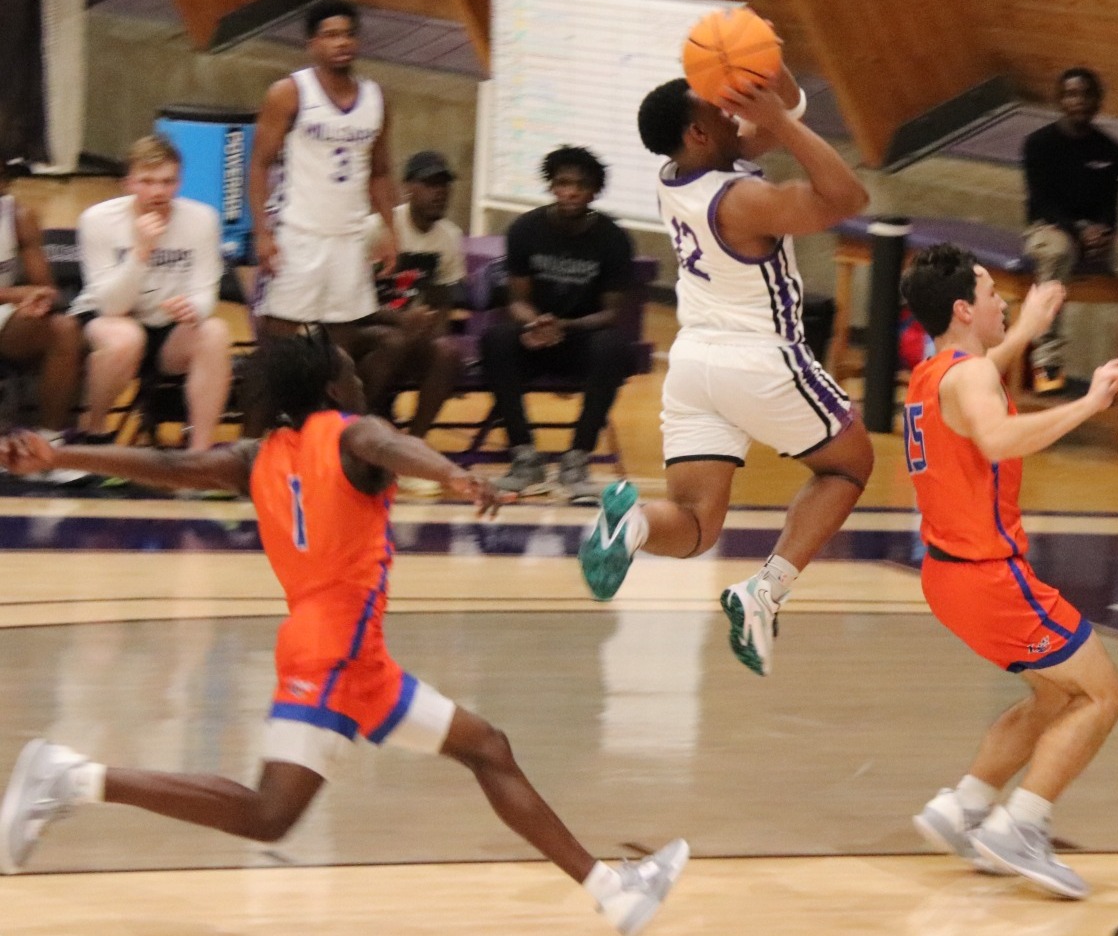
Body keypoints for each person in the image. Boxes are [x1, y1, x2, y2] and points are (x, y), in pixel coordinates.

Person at [0, 332, 688, 934]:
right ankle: (72, 777)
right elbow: (393, 443)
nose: (359, 376)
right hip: (334, 655)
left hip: (350, 658)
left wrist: (61, 456)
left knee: (487, 748)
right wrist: (451, 472)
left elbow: (175, 468)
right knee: (270, 816)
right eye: (350, 369)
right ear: (334, 387)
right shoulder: (351, 431)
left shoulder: (257, 454)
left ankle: (613, 893)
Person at [578, 65, 869, 678]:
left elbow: (780, 111)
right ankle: (764, 590)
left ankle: (629, 526)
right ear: (698, 133)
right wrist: (782, 121)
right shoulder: (743, 200)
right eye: (713, 107)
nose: (725, 109)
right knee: (848, 465)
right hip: (758, 359)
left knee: (695, 524)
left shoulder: (674, 173)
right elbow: (848, 199)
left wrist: (771, 76)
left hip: (691, 364)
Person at [897, 244, 1118, 900]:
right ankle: (1021, 826)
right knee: (1102, 696)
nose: (1005, 301)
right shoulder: (970, 379)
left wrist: (1026, 332)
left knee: (1053, 695)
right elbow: (998, 437)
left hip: (946, 577)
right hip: (991, 577)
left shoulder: (933, 370)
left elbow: (982, 379)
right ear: (966, 309)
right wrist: (1090, 402)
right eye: (995, 295)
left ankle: (964, 807)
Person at [248, 0, 407, 423]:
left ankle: (325, 441)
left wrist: (389, 229)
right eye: (332, 35)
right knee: (278, 345)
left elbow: (380, 169)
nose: (342, 43)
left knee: (338, 351)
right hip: (297, 234)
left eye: (349, 34)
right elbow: (260, 164)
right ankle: (253, 445)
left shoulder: (376, 97)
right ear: (312, 43)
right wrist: (262, 233)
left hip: (349, 240)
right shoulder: (289, 92)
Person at [482, 146, 635, 503]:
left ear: (593, 192)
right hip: (536, 335)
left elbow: (611, 313)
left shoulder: (612, 238)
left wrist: (565, 325)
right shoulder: (525, 229)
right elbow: (517, 300)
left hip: (582, 338)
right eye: (563, 183)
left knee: (613, 347)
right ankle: (524, 458)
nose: (570, 192)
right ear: (552, 186)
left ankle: (577, 460)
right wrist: (536, 323)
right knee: (497, 340)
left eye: (580, 185)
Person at [69, 135, 232, 453]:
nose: (158, 191)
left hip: (168, 328)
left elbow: (204, 289)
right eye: (147, 181)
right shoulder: (98, 220)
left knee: (215, 332)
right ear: (128, 182)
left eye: (167, 181)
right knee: (125, 339)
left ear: (180, 181)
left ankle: (199, 455)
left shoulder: (202, 219)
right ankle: (95, 432)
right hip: (110, 318)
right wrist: (141, 252)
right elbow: (110, 305)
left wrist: (193, 309)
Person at [1021, 66, 1118, 402]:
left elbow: (1111, 204)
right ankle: (1047, 361)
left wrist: (1102, 229)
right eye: (1071, 94)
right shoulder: (1039, 144)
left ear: (1098, 101)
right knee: (1057, 252)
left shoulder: (1109, 148)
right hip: (1052, 227)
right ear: (1061, 100)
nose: (1079, 101)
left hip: (1099, 231)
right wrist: (1078, 230)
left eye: (1086, 94)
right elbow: (1041, 202)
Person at [362, 150, 467, 496]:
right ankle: (370, 442)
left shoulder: (449, 237)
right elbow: (351, 304)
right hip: (367, 331)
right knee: (392, 342)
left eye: (444, 186)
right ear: (408, 188)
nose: (440, 192)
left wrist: (427, 334)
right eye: (430, 184)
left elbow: (442, 305)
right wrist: (398, 321)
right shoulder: (377, 229)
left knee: (448, 351)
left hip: (410, 333)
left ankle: (413, 451)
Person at [0, 159, 82, 455]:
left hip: (5, 313)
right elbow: (21, 292)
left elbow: (44, 287)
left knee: (64, 329)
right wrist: (17, 295)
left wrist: (36, 301)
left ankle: (49, 442)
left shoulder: (18, 216)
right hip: (7, 301)